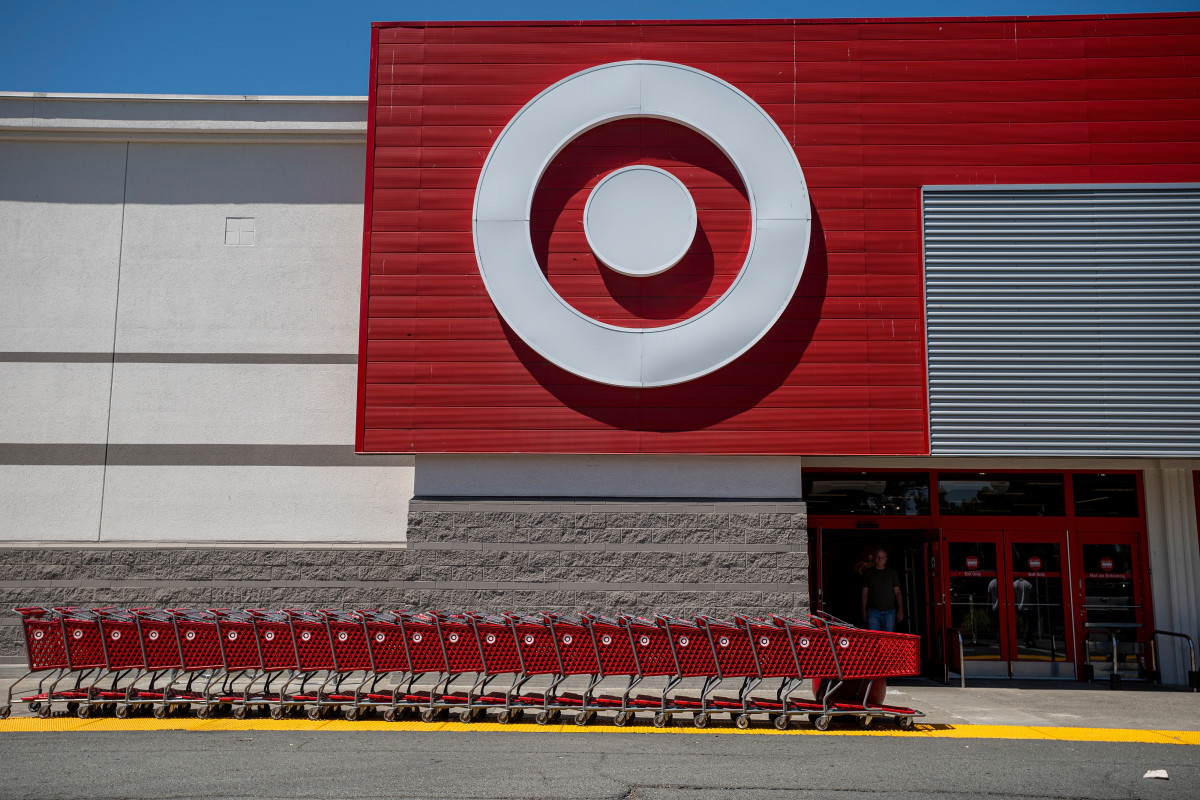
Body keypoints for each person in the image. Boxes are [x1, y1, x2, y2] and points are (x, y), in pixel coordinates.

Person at [861, 547, 904, 632]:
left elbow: (898, 592)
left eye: (882, 557)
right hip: (873, 612)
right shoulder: (868, 573)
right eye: (877, 557)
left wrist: (900, 610)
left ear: (886, 559)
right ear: (874, 558)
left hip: (890, 612)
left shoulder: (892, 572)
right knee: (874, 639)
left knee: (887, 640)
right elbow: (864, 593)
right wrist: (863, 610)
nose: (880, 559)